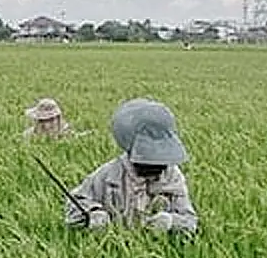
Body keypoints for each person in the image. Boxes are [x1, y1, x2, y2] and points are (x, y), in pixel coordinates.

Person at [65, 98, 198, 235]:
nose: (155, 167)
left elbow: (190, 221)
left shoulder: (173, 177)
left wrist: (171, 222)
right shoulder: (109, 175)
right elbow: (74, 204)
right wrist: (93, 214)